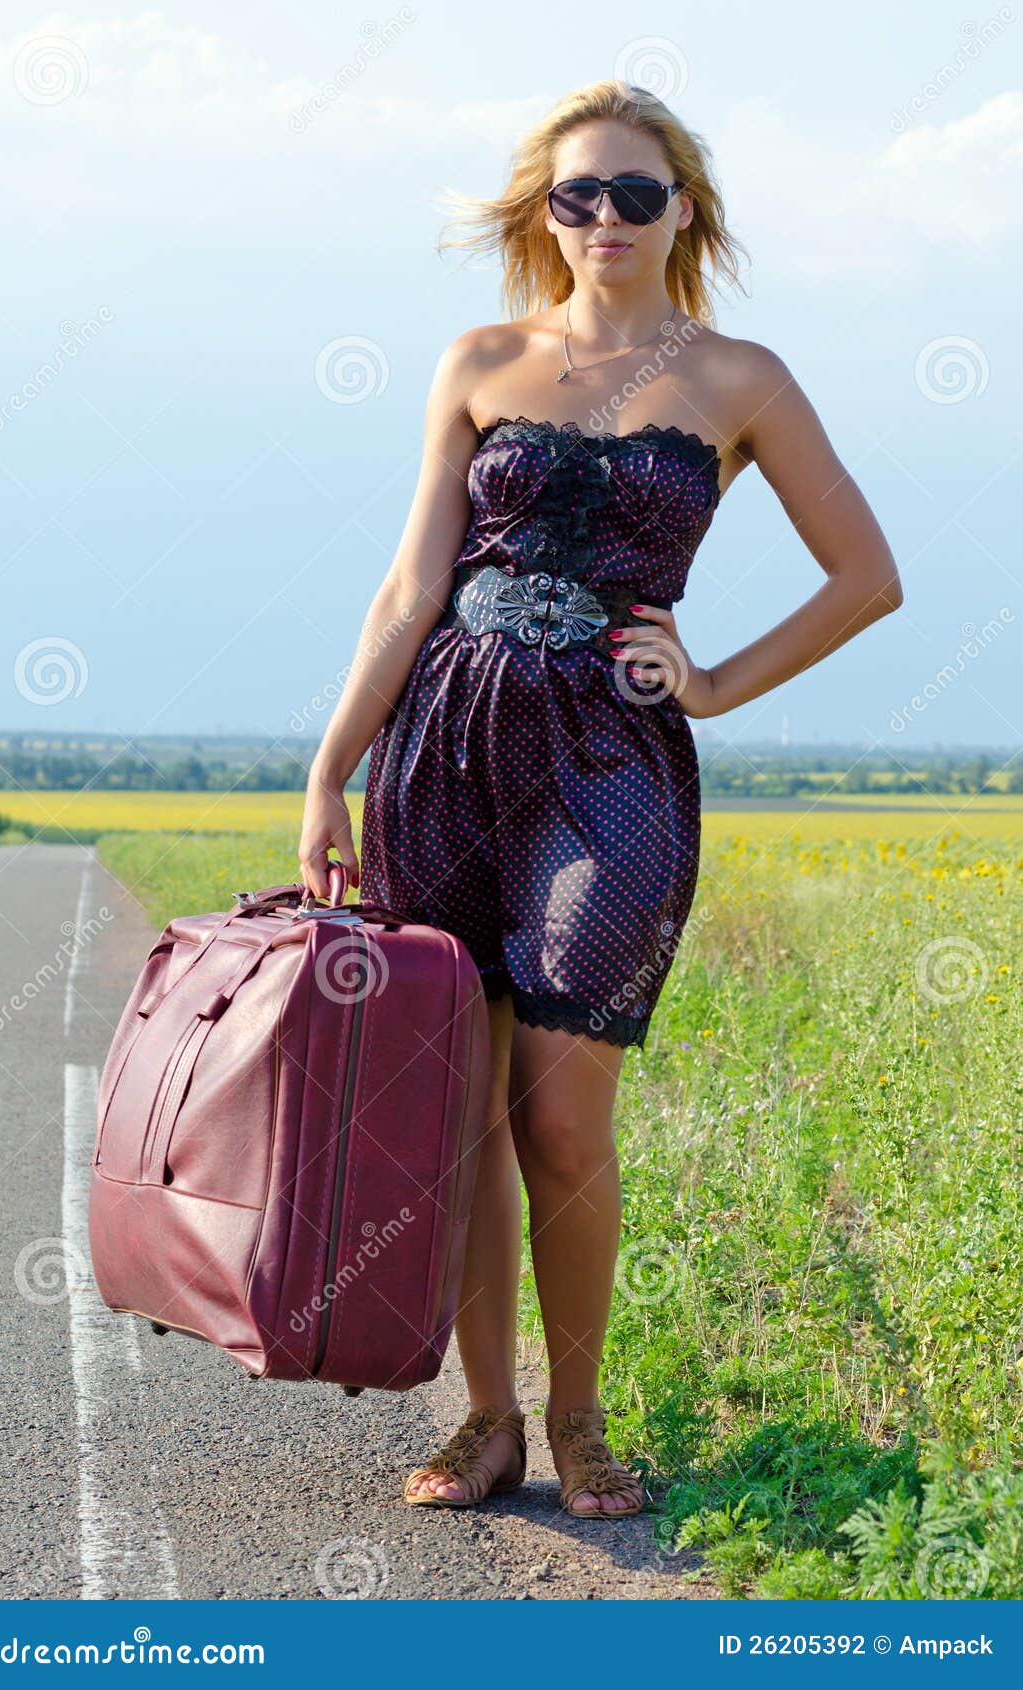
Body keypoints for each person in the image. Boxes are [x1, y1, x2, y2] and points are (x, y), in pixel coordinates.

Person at [297, 79, 903, 1518]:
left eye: (637, 191)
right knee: (459, 1121)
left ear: (683, 209)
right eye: (580, 193)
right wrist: (330, 771)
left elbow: (868, 576)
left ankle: (579, 1418)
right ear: (545, 211)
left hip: (610, 764)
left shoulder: (739, 378)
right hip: (445, 747)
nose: (608, 216)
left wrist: (714, 682)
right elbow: (410, 590)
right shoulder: (480, 359)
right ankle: (489, 1419)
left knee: (562, 1121)